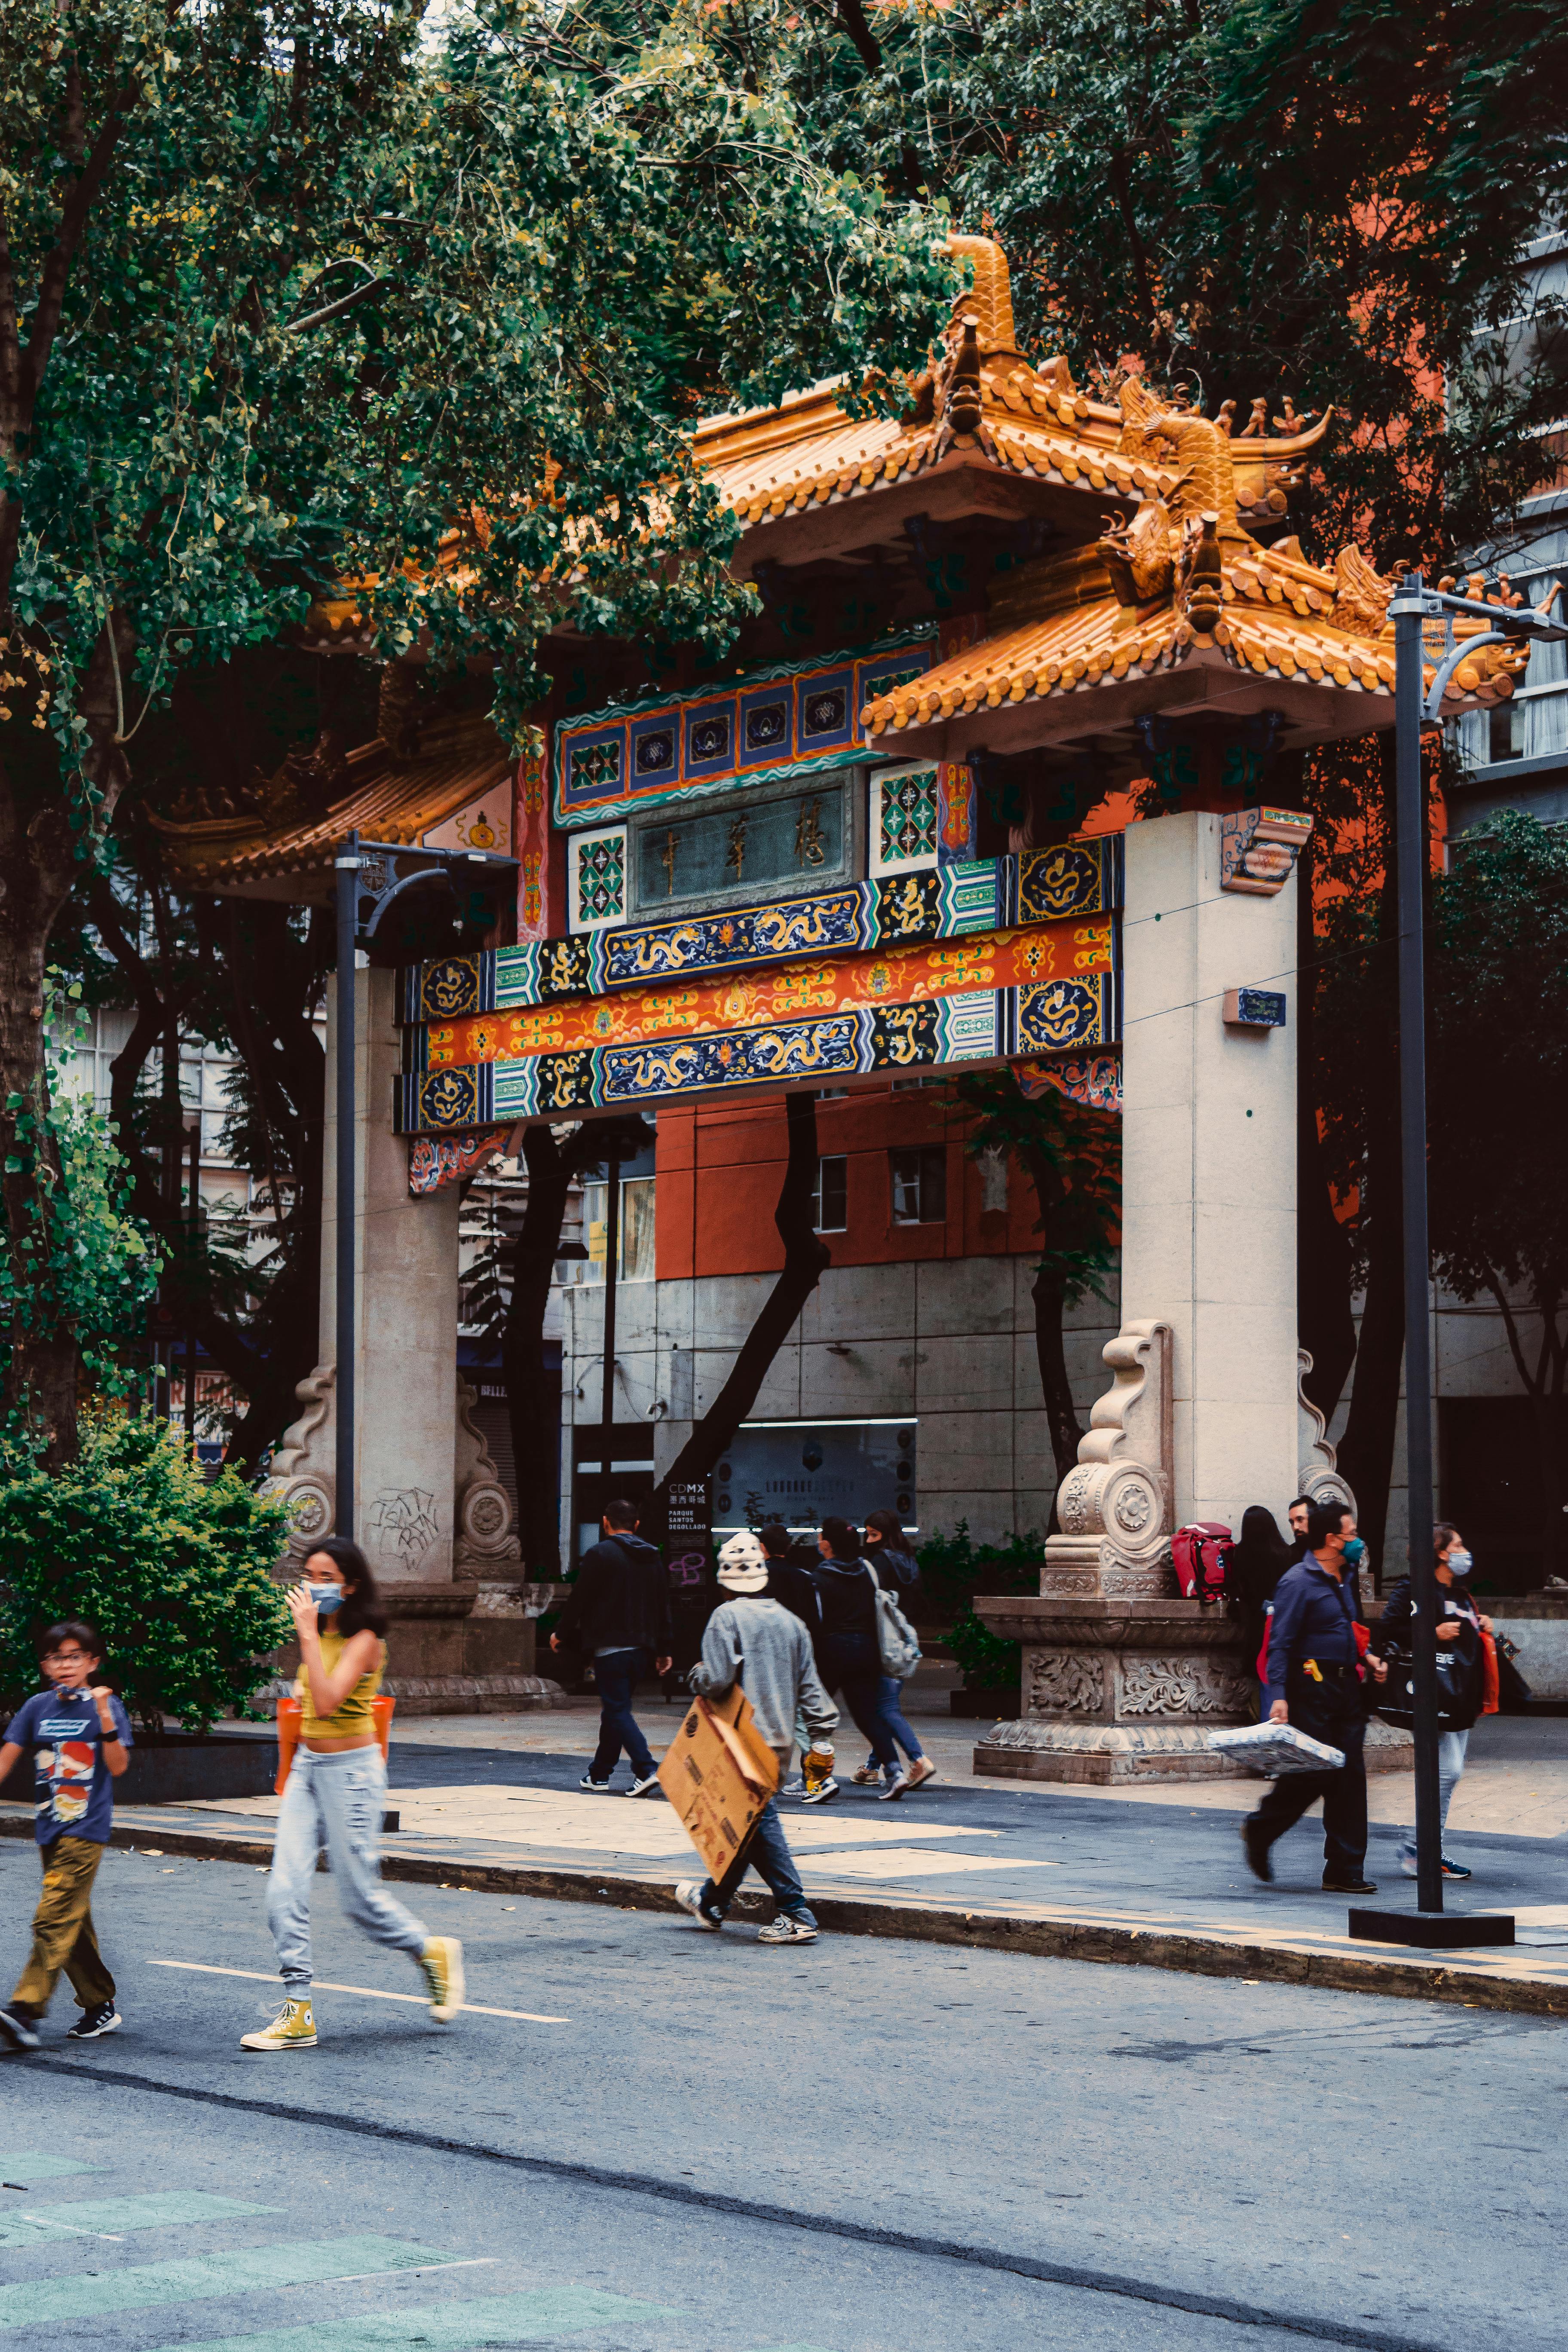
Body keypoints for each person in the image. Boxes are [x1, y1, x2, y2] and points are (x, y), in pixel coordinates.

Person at [242, 1540, 462, 2051]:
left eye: (327, 1577)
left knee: (359, 1900)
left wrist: (305, 1635)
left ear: (351, 1585)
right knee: (282, 1890)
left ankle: (429, 1950)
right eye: (309, 1575)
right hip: (309, 1769)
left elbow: (325, 1700)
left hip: (352, 1775)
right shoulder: (321, 1634)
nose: (314, 1585)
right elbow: (310, 1704)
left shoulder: (365, 1640)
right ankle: (298, 2010)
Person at [675, 1533, 839, 1943]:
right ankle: (713, 1901)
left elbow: (716, 1680)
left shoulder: (725, 1617)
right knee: (746, 1823)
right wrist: (821, 1737)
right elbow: (812, 1689)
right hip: (780, 1740)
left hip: (740, 1738)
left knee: (760, 1822)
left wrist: (695, 1675)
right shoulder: (792, 1622)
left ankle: (796, 1911)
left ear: (724, 1581)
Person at [1240, 1501, 1388, 1895]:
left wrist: (1368, 1657)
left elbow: (1348, 1628)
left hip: (1347, 1688)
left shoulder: (1345, 1576)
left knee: (1350, 1776)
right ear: (1332, 1539)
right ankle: (1261, 1828)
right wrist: (1279, 1696)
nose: (1357, 1541)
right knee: (1314, 1772)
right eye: (1352, 1534)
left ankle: (1344, 1869)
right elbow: (1280, 1643)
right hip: (1311, 1688)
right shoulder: (1297, 1581)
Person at [0, 1620, 132, 2051]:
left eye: (75, 1657)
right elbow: (7, 1757)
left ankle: (25, 2010)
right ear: (45, 1665)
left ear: (92, 1662)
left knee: (53, 1916)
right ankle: (100, 2002)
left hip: (86, 1828)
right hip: (49, 1827)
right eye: (57, 1657)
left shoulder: (107, 1707)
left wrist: (105, 1715)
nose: (66, 1665)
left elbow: (118, 1767)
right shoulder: (38, 1707)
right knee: (71, 1917)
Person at [1375, 1522, 1494, 1882]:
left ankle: (1429, 1849)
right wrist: (1431, 1632)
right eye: (1458, 1546)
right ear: (1441, 1553)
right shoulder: (1413, 1589)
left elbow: (1491, 1647)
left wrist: (1486, 1627)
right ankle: (1418, 1848)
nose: (1464, 1553)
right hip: (1430, 1693)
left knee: (1450, 1773)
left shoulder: (1460, 1594)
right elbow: (1387, 1630)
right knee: (1449, 1771)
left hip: (1460, 1696)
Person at [553, 1499, 673, 1795]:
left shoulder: (600, 1554)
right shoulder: (652, 1557)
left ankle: (646, 1769)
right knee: (615, 1710)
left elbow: (580, 1599)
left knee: (617, 1710)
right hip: (641, 1648)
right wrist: (664, 1650)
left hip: (610, 1647)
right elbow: (662, 1606)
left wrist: (561, 1633)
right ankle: (599, 1774)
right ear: (637, 1525)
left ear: (605, 1523)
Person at [807, 1516, 910, 1799]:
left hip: (831, 1652)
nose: (818, 1541)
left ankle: (816, 1780)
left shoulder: (819, 1577)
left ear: (827, 1545)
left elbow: (816, 1619)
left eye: (821, 1537)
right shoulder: (867, 1570)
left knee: (815, 1716)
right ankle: (895, 1773)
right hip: (865, 1650)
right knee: (868, 1715)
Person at [856, 1508, 935, 1795]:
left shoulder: (880, 1562)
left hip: (883, 1641)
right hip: (904, 1639)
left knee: (886, 1708)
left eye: (874, 1534)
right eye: (867, 1534)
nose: (869, 1540)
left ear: (885, 1535)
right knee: (884, 1705)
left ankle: (918, 1759)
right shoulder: (909, 1561)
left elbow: (871, 1602)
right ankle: (871, 1767)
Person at [1231, 1505, 1293, 1681]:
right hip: (1281, 1619)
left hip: (1254, 1620)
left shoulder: (1241, 1552)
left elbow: (1240, 1587)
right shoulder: (1286, 1552)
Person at [1286, 1496, 1313, 1563]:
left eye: (1300, 1520)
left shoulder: (1330, 1549)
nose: (1295, 1527)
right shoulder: (1288, 1555)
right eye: (1292, 1522)